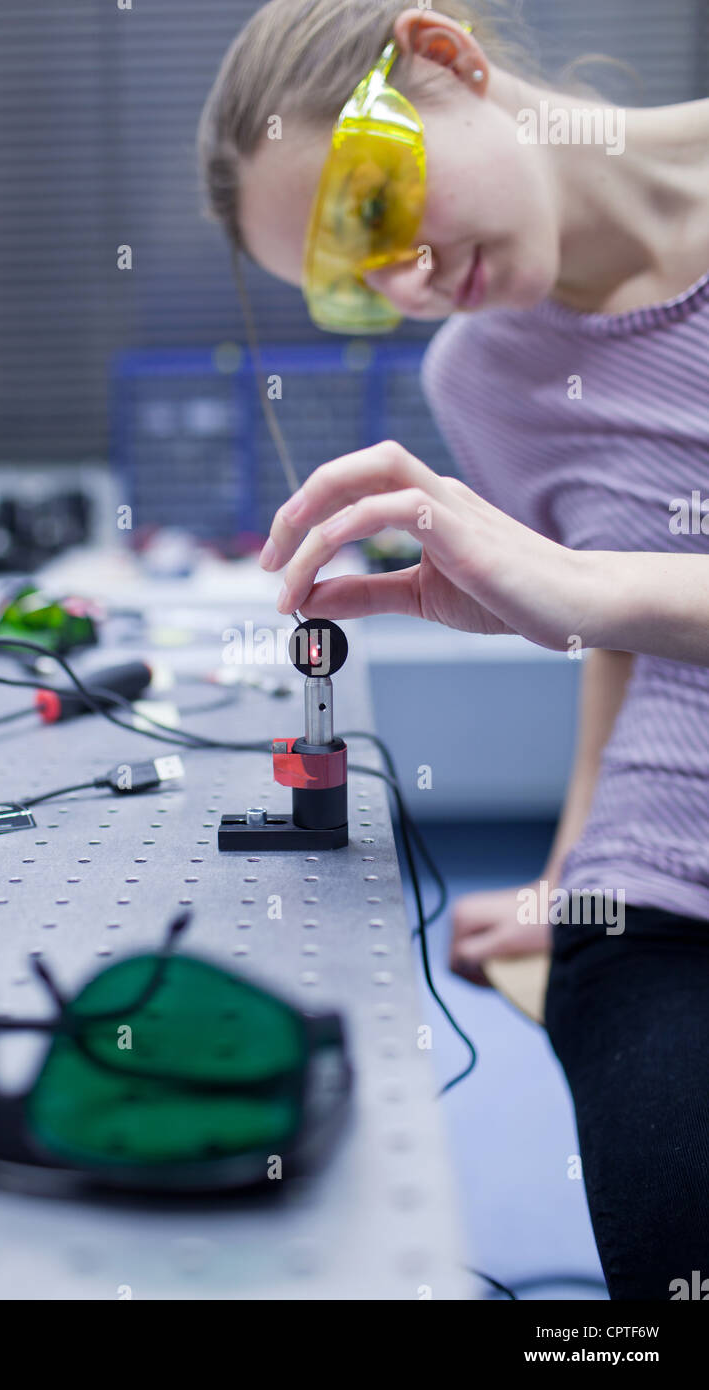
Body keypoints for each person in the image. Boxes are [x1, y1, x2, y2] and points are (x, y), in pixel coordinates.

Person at [197, 1, 709, 1299]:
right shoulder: (480, 380)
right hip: (661, 905)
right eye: (345, 279)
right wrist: (566, 875)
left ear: (444, 61)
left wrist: (579, 584)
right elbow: (619, 632)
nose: (402, 283)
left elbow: (596, 589)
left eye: (371, 214)